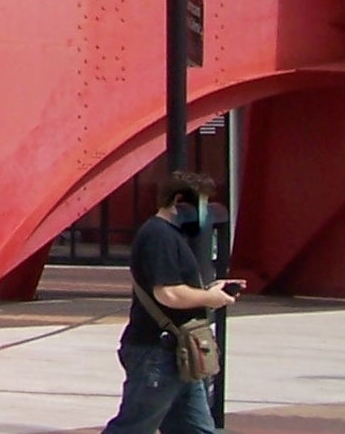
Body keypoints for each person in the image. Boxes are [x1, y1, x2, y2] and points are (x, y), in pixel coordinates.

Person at [100, 171, 240, 434]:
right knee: (133, 427)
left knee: (195, 428)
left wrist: (209, 292)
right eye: (201, 205)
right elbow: (168, 293)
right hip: (157, 352)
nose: (204, 213)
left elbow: (175, 290)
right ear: (178, 201)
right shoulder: (158, 236)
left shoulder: (171, 235)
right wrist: (210, 298)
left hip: (180, 351)